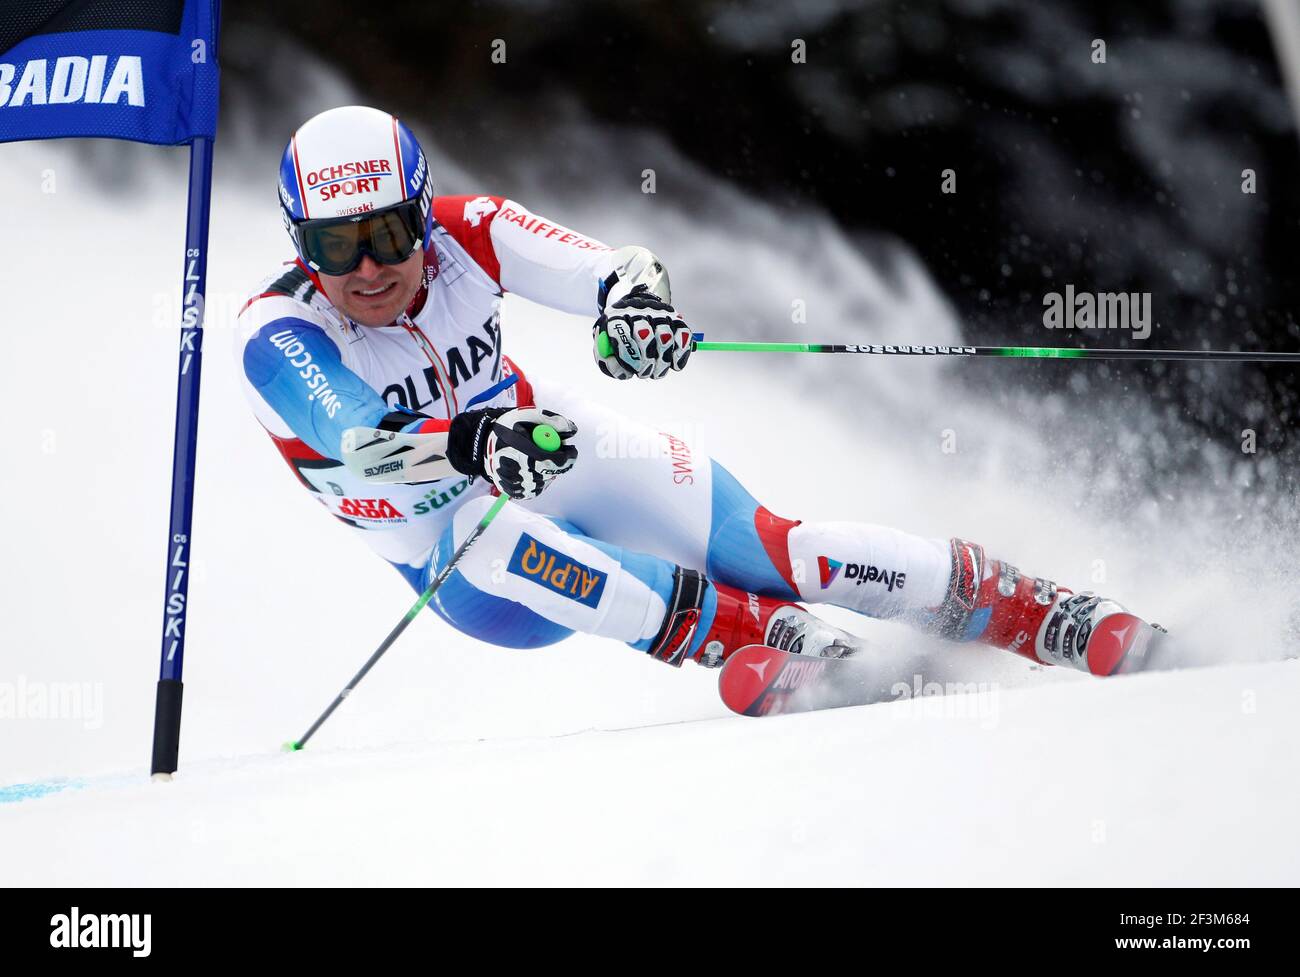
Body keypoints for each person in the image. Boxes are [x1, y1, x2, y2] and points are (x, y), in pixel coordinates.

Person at [235, 104, 1155, 682]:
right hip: (466, 561)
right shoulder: (280, 336)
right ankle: (764, 640)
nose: (368, 269)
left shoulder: (464, 232)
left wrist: (635, 311)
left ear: (421, 212)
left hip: (548, 451)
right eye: (335, 245)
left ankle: (1040, 611)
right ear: (298, 244)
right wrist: (474, 444)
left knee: (772, 548)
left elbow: (615, 268)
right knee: (491, 536)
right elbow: (362, 440)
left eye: (391, 234)